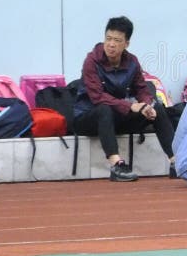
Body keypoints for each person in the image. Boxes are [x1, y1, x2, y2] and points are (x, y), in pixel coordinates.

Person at [74, 16, 175, 182]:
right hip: (88, 116)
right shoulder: (91, 61)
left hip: (117, 116)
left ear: (126, 43)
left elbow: (142, 89)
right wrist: (130, 106)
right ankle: (117, 165)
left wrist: (147, 105)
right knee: (104, 109)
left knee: (157, 107)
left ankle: (176, 162)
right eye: (108, 39)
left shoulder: (132, 61)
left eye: (117, 40)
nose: (111, 44)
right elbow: (97, 97)